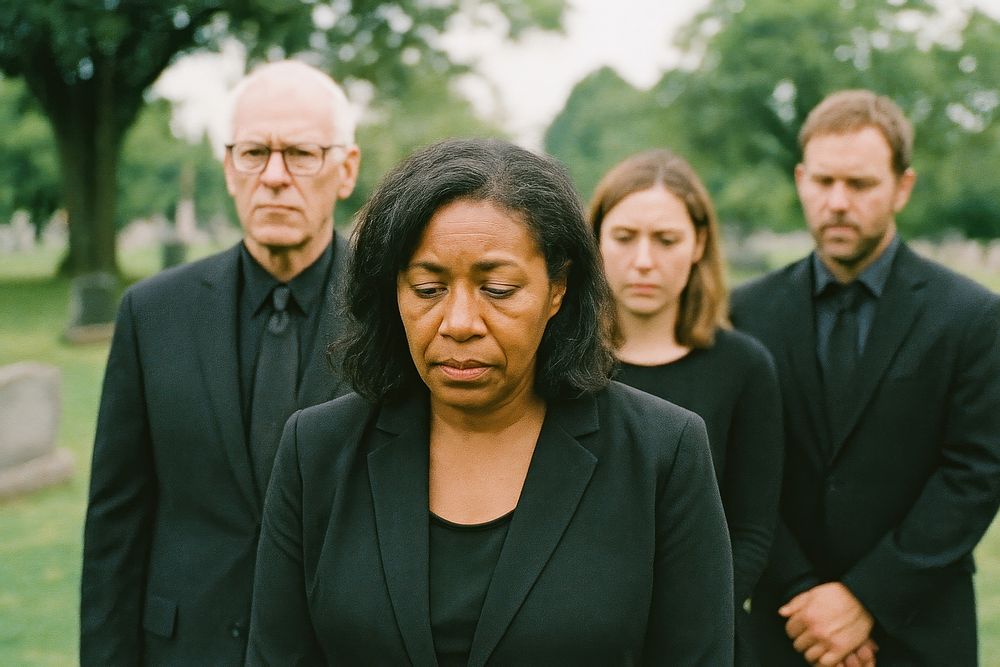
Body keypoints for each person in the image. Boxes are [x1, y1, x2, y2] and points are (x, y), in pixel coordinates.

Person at [246, 138, 734, 665]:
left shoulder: (662, 452)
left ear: (557, 288)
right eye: (428, 289)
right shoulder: (316, 450)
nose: (459, 323)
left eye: (498, 289)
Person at [79, 60, 361, 665]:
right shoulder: (151, 314)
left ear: (347, 169)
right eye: (253, 152)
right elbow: (116, 525)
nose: (274, 177)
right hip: (184, 648)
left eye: (301, 154)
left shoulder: (390, 313)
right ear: (229, 168)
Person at [731, 89, 1000, 666]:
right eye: (823, 182)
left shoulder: (973, 316)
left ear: (903, 186)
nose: (837, 202)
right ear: (800, 177)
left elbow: (975, 474)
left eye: (860, 185)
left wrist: (865, 596)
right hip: (786, 629)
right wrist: (803, 591)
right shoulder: (744, 312)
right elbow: (737, 468)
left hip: (918, 630)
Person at [589, 148, 783, 665]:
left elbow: (752, 527)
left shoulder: (744, 366)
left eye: (666, 240)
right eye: (625, 238)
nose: (644, 260)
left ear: (698, 243)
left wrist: (690, 617)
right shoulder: (561, 366)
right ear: (595, 241)